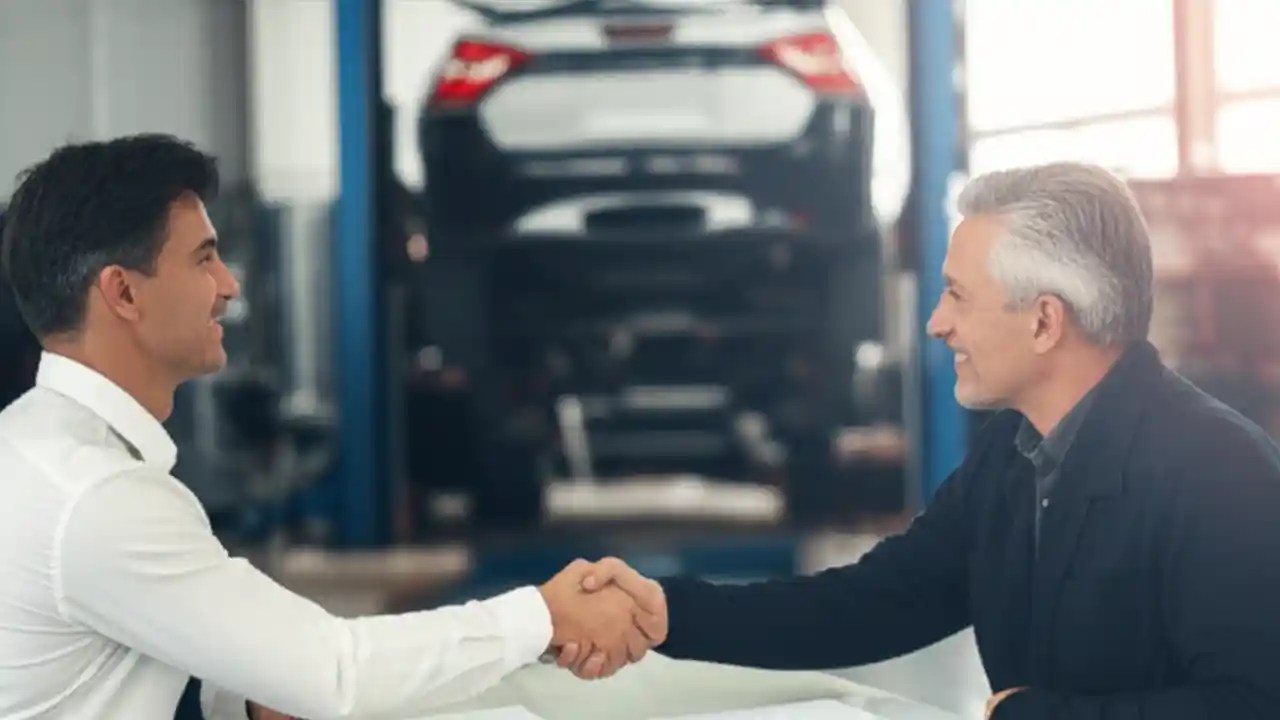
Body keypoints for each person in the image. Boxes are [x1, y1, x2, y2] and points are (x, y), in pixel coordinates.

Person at [564, 162, 1280, 718]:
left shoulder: (1222, 475)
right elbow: (872, 604)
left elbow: (1253, 706)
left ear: (1043, 322)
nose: (937, 324)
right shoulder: (1012, 458)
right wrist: (666, 613)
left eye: (957, 296)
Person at [0, 135, 661, 720]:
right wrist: (544, 615)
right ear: (122, 293)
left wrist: (251, 700)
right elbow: (335, 673)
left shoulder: (34, 445)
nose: (228, 286)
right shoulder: (99, 498)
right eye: (203, 259)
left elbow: (103, 676)